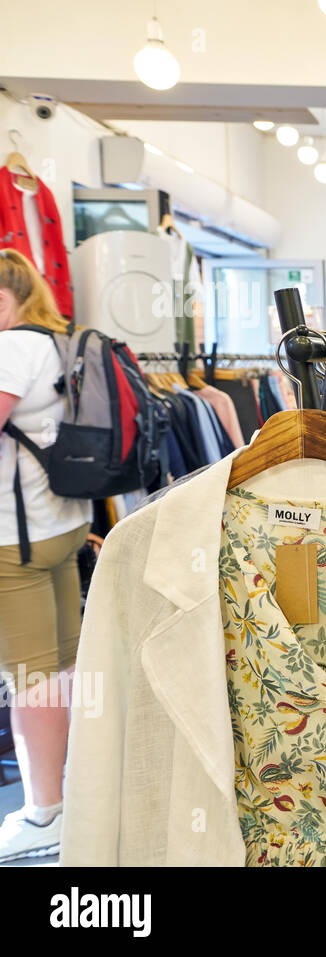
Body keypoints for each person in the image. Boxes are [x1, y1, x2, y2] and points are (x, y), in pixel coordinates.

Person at [0, 249, 92, 861]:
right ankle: (73, 797)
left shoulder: (12, 348)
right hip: (65, 524)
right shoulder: (58, 341)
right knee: (61, 668)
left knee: (28, 677)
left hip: (16, 538)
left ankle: (42, 814)